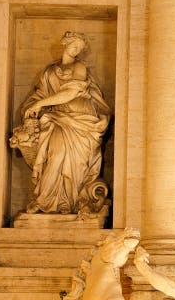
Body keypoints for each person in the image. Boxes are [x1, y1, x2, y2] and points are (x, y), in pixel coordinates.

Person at [20, 31, 111, 214]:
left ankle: (69, 202)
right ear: (65, 43)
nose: (76, 51)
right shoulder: (48, 72)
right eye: (74, 46)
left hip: (81, 120)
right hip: (58, 120)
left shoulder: (79, 67)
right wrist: (31, 107)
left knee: (76, 164)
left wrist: (41, 104)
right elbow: (39, 95)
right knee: (57, 154)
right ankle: (46, 200)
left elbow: (70, 93)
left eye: (80, 48)